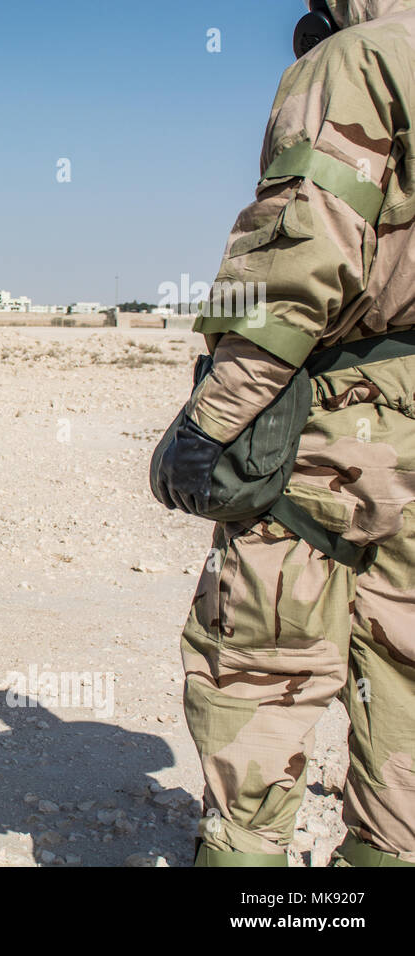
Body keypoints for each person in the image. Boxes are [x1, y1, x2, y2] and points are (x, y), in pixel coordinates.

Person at [154, 0, 415, 866]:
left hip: (345, 423)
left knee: (260, 674)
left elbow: (290, 252)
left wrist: (210, 416)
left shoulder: (360, 57)